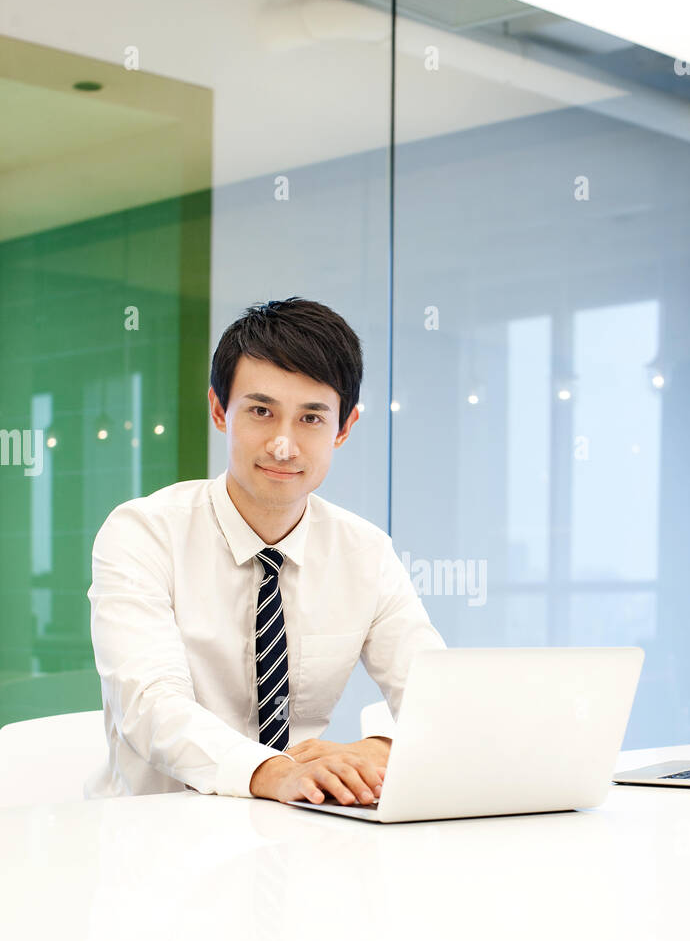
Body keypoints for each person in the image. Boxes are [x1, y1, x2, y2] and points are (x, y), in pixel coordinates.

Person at [85, 297, 446, 807]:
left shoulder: (365, 552)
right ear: (218, 410)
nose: (283, 444)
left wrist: (379, 747)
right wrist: (270, 771)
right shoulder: (143, 534)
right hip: (155, 836)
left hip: (301, 826)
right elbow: (150, 704)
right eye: (260, 411)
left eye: (311, 419)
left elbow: (435, 691)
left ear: (344, 428)